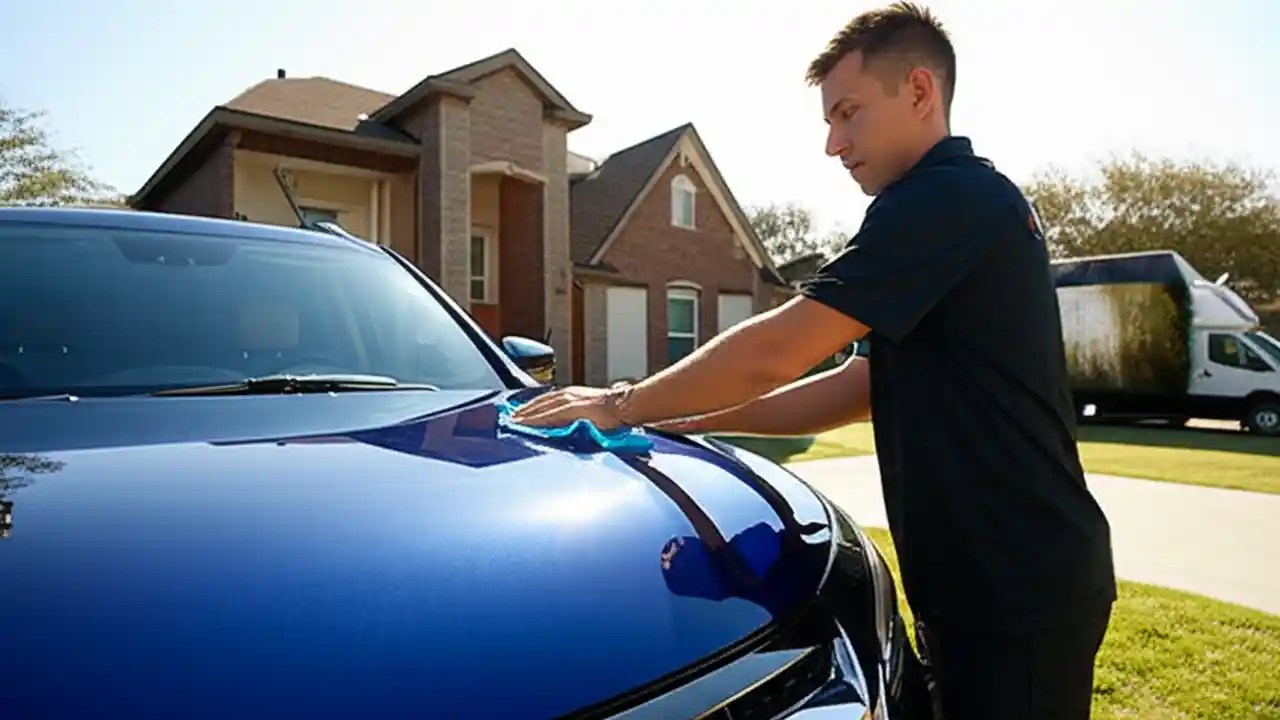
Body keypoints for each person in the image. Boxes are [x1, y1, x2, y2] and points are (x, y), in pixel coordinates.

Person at [512, 3, 1116, 717]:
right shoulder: (954, 208)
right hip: (992, 582)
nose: (834, 143)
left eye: (849, 113)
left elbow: (778, 348)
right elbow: (859, 384)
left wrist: (621, 403)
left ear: (920, 92)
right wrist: (691, 420)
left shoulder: (945, 200)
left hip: (1016, 589)